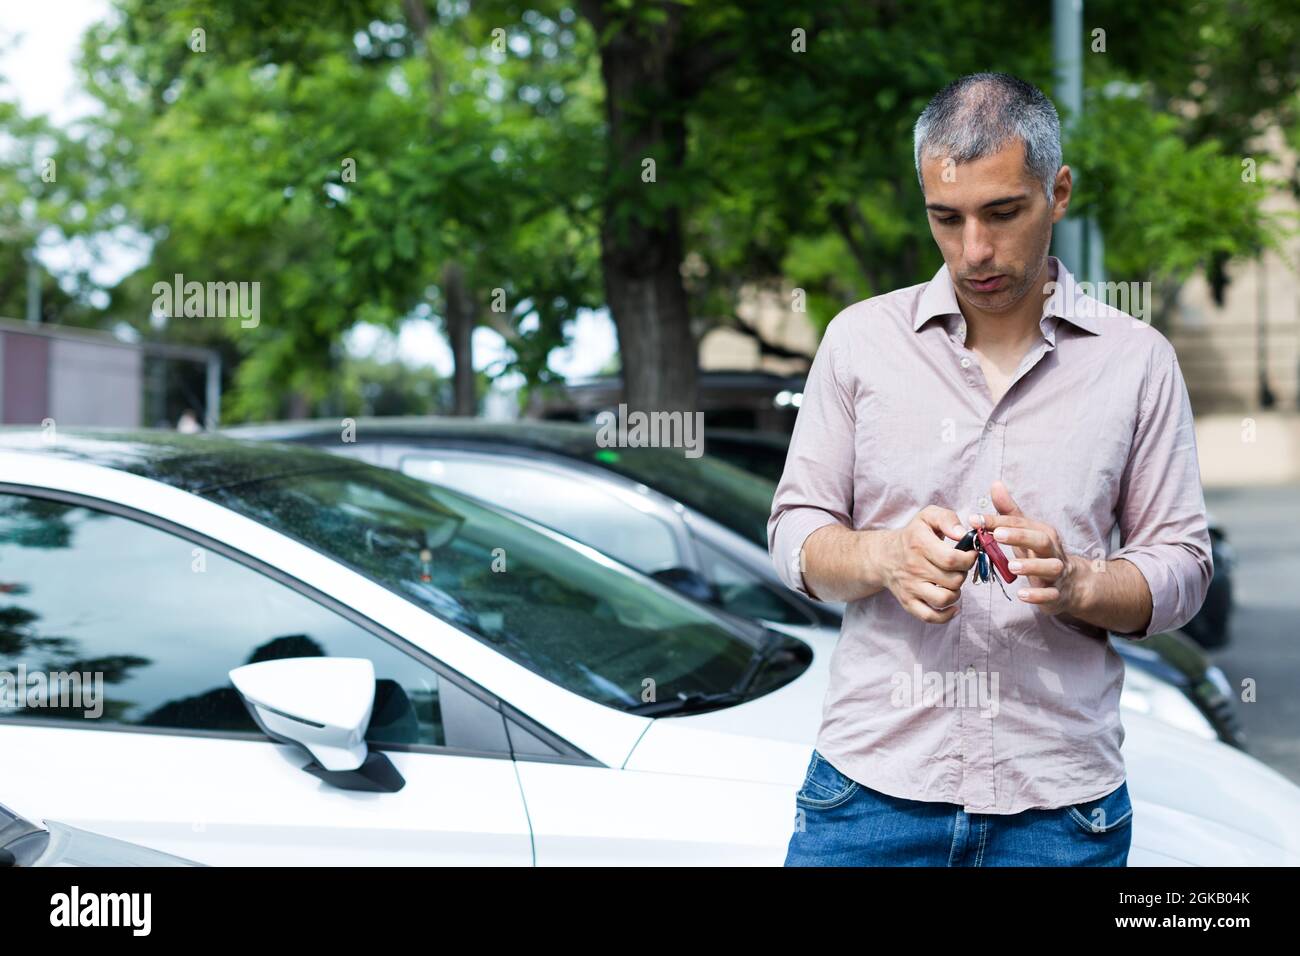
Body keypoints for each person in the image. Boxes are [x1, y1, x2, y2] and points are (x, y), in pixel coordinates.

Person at [768, 72, 1213, 866]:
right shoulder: (859, 342)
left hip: (1060, 811)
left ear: (1059, 191)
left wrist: (1078, 583)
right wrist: (885, 556)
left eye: (1003, 213)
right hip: (869, 798)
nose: (975, 250)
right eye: (947, 218)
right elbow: (795, 535)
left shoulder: (1138, 363)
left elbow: (1183, 569)